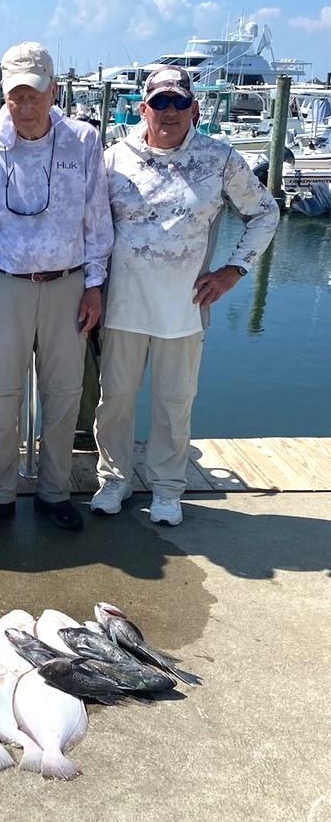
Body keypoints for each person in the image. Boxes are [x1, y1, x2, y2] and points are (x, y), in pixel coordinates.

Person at [91, 66, 280, 526]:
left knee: (174, 403)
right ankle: (112, 479)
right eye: (159, 103)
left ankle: (168, 487)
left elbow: (265, 212)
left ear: (195, 108)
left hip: (185, 308)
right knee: (114, 399)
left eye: (178, 103)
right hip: (121, 306)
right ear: (143, 109)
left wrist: (234, 271)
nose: (169, 112)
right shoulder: (113, 158)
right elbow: (90, 230)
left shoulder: (221, 158)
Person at [0, 41, 114, 531]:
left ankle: (54, 492)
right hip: (4, 284)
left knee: (64, 392)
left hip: (68, 284)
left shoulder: (84, 139)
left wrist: (95, 284)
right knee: (0, 394)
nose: (25, 106)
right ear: (4, 95)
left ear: (53, 91)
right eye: (15, 96)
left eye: (34, 94)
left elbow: (97, 219)